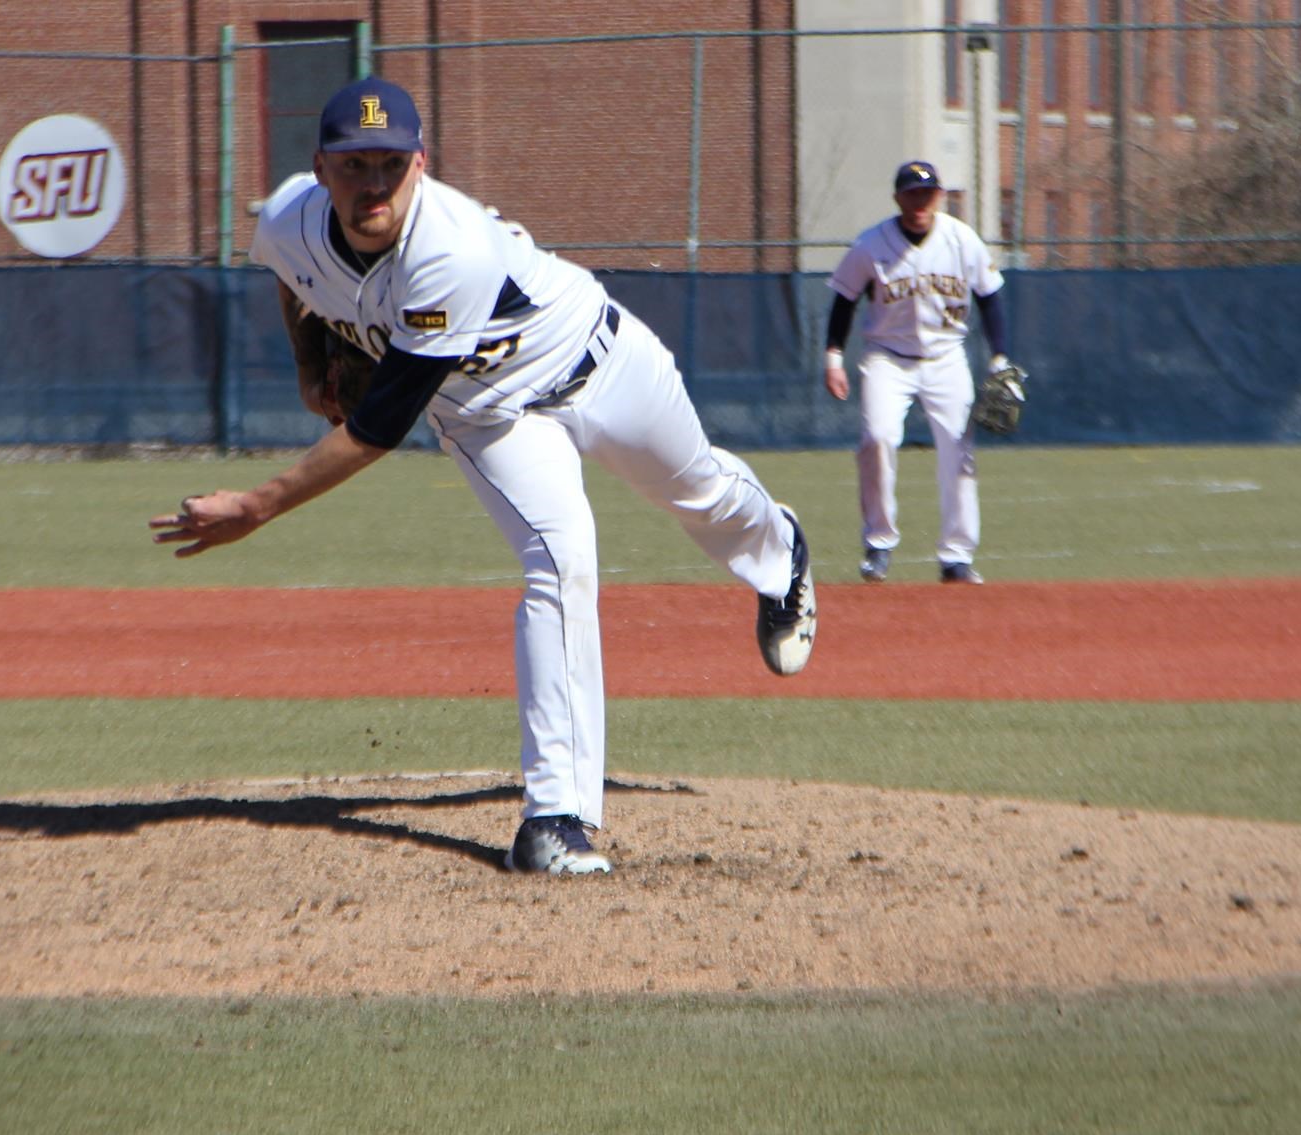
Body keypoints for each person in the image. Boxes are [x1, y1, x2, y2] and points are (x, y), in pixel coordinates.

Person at [149, 76, 816, 876]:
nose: (373, 182)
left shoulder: (448, 251)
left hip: (599, 363)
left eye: (390, 164)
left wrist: (255, 505)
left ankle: (781, 551)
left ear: (420, 164)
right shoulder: (288, 219)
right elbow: (292, 276)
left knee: (700, 490)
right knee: (561, 558)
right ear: (321, 168)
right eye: (354, 164)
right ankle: (555, 819)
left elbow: (374, 431)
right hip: (489, 415)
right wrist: (309, 361)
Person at [822, 160, 1015, 585]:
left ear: (939, 197)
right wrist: (833, 357)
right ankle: (878, 543)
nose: (919, 202)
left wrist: (999, 356)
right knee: (877, 440)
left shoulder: (961, 239)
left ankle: (957, 557)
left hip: (947, 359)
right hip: (887, 358)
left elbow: (991, 297)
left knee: (959, 453)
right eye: (911, 193)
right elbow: (843, 299)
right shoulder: (871, 244)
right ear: (897, 198)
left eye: (927, 194)